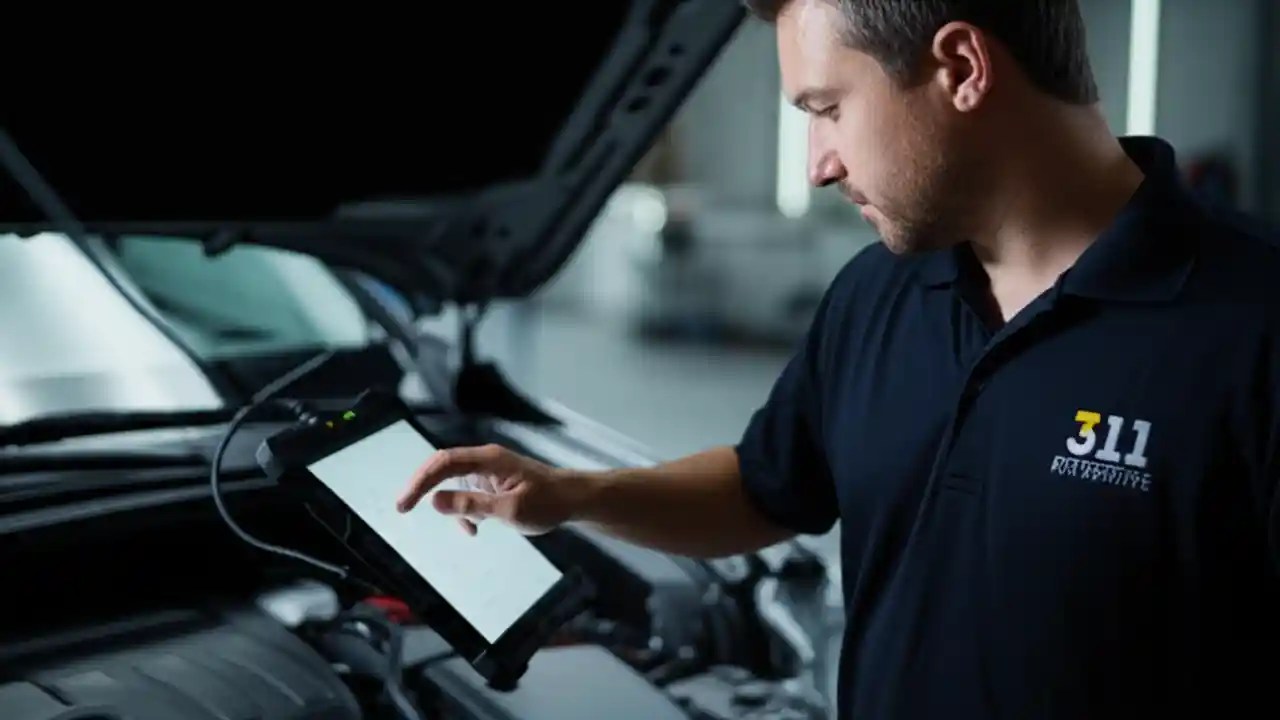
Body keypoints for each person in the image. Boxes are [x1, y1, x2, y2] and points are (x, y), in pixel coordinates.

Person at [398, 0, 1280, 717]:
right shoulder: (881, 291)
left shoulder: (1254, 327)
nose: (818, 165)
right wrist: (572, 495)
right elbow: (763, 488)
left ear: (963, 69)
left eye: (826, 110)